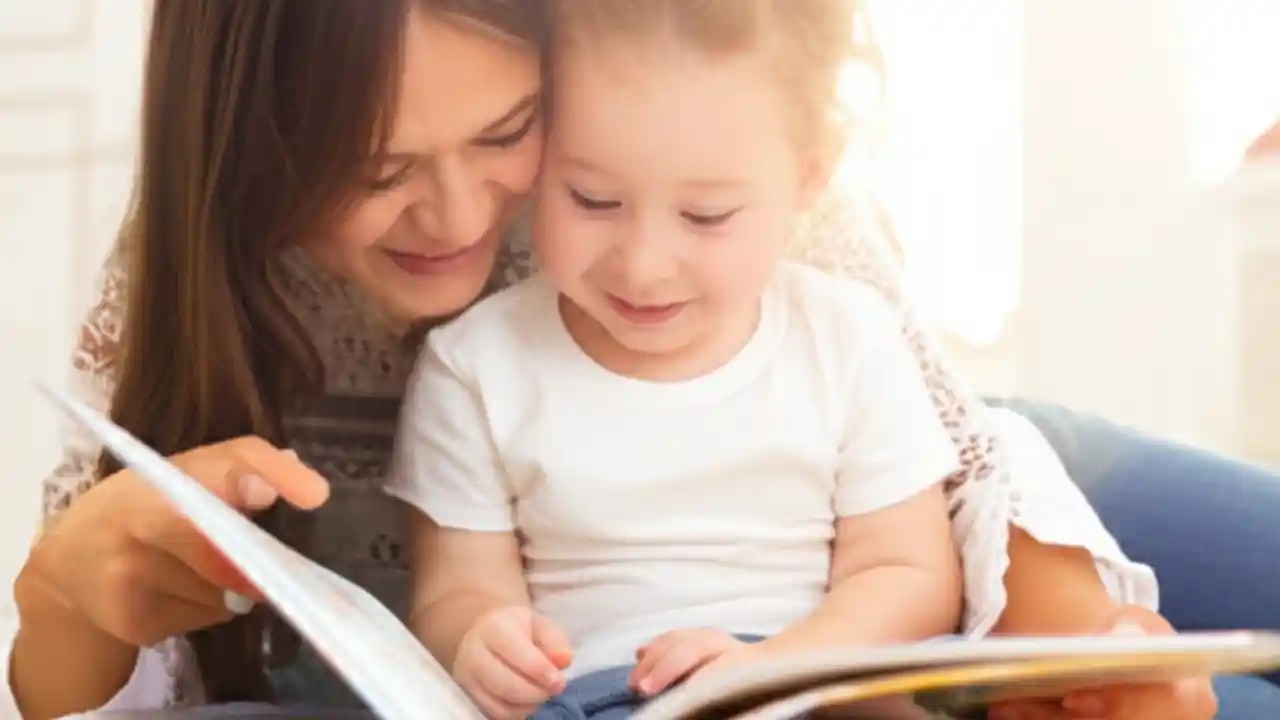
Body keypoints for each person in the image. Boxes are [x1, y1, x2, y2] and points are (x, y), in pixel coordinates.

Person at [0, 0, 1261, 718]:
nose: (453, 219)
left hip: (933, 490)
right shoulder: (200, 280)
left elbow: (962, 463)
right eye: (375, 172)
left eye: (507, 135)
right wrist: (61, 599)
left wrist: (1066, 641)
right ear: (255, 152)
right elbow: (99, 682)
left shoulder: (677, 166)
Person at [391, 3, 965, 717]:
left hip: (812, 684)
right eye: (592, 199)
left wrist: (770, 666)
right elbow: (454, 594)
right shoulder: (474, 366)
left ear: (810, 176)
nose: (644, 265)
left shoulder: (847, 337)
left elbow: (908, 574)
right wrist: (481, 641)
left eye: (706, 216)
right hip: (589, 698)